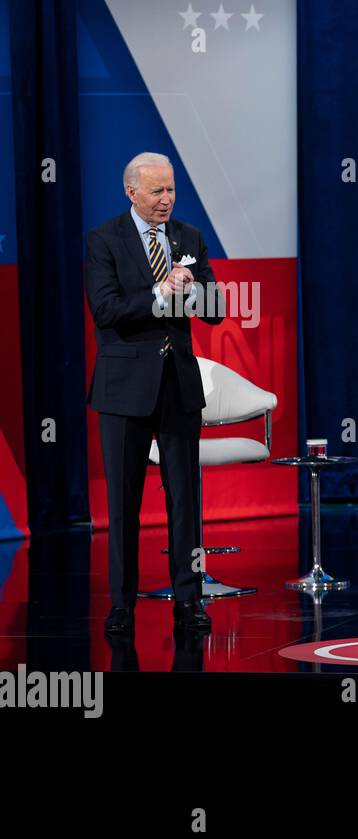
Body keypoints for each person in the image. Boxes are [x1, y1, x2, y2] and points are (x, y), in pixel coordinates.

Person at [85, 152, 225, 635]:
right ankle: (121, 605)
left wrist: (191, 290)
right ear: (132, 193)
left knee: (186, 499)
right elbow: (106, 310)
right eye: (156, 191)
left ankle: (190, 599)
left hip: (178, 388)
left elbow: (215, 311)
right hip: (124, 389)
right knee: (124, 504)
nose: (166, 200)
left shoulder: (190, 237)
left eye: (170, 190)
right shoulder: (104, 240)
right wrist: (161, 295)